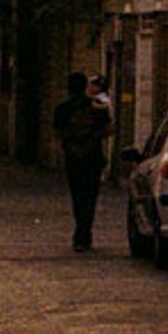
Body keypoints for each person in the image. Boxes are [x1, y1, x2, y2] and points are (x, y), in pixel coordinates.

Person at [52, 71, 113, 251]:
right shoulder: (97, 106)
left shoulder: (62, 108)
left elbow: (57, 132)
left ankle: (80, 233)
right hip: (93, 157)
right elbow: (110, 129)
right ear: (85, 86)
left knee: (77, 196)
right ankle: (85, 232)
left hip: (73, 158)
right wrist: (93, 136)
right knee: (90, 196)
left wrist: (71, 141)